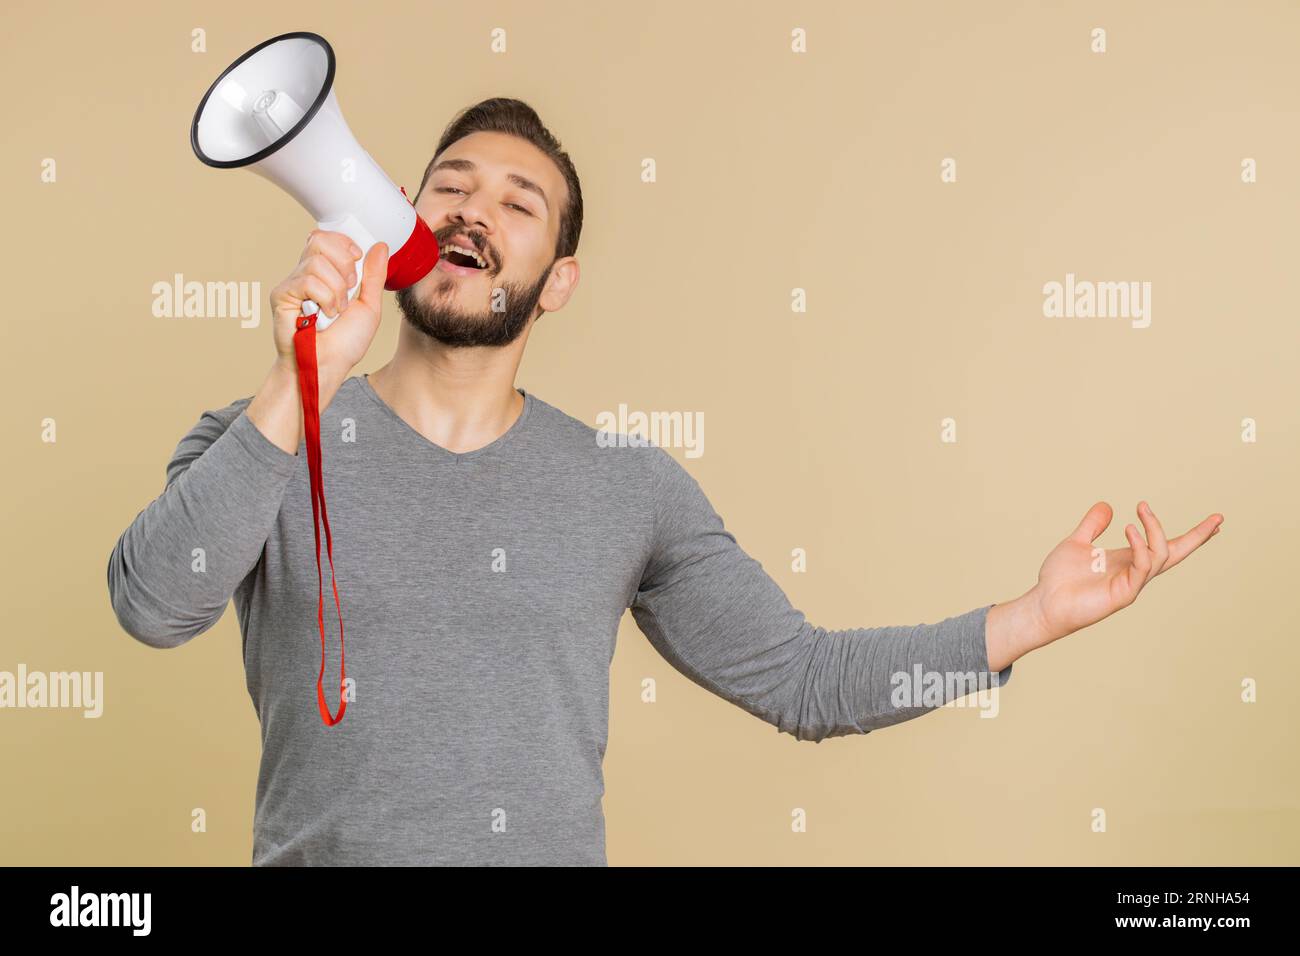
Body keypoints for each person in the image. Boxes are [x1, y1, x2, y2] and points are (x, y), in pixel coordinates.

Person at [107, 98, 1223, 866]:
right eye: (450, 188)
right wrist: (301, 379)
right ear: (398, 219)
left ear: (558, 282)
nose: (472, 213)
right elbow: (152, 605)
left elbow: (806, 681)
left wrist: (1025, 620)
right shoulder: (261, 431)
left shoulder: (623, 485)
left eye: (516, 203)